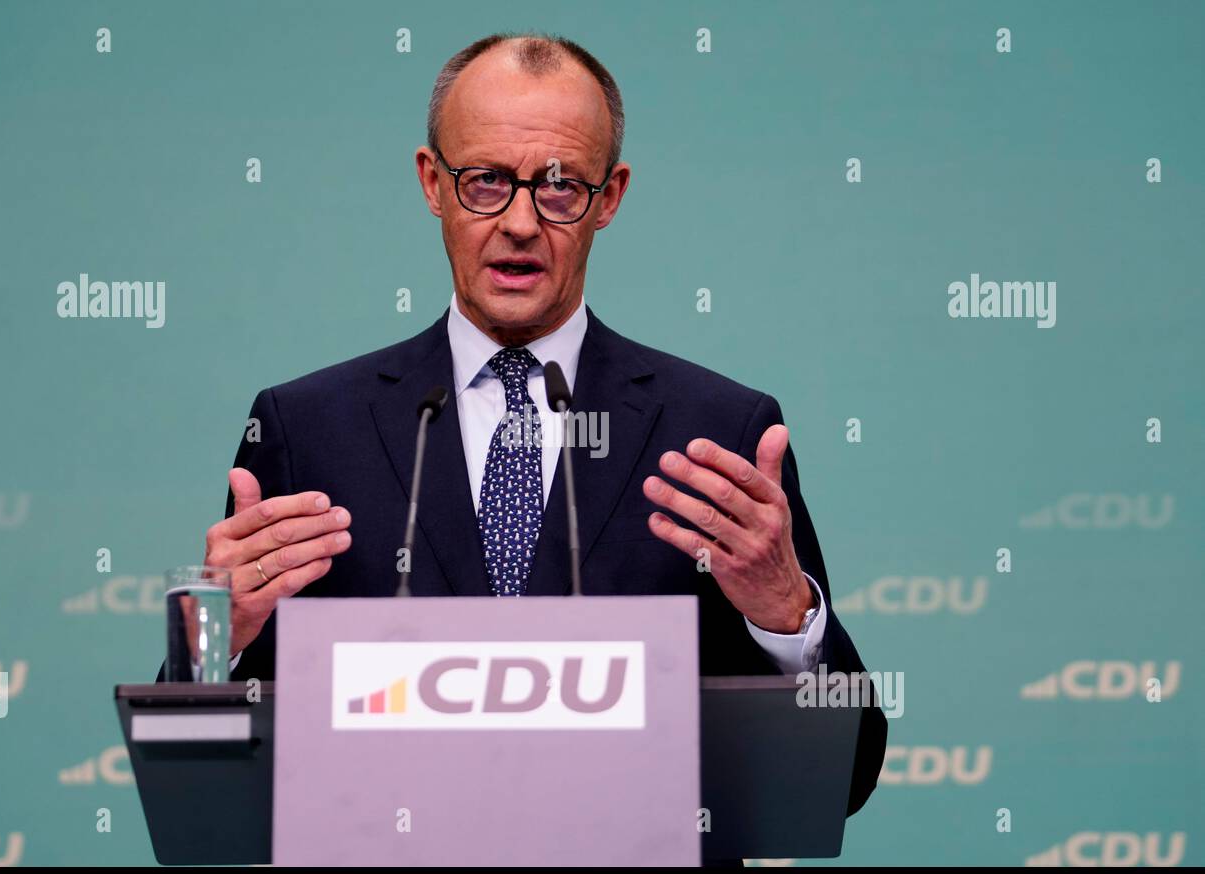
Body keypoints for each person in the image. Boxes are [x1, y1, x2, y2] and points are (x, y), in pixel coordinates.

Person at [173, 33, 886, 816]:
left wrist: (789, 617)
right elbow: (203, 787)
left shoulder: (717, 432)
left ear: (608, 198)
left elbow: (842, 778)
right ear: (431, 183)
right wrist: (218, 640)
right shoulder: (306, 430)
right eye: (484, 182)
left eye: (558, 189)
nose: (518, 222)